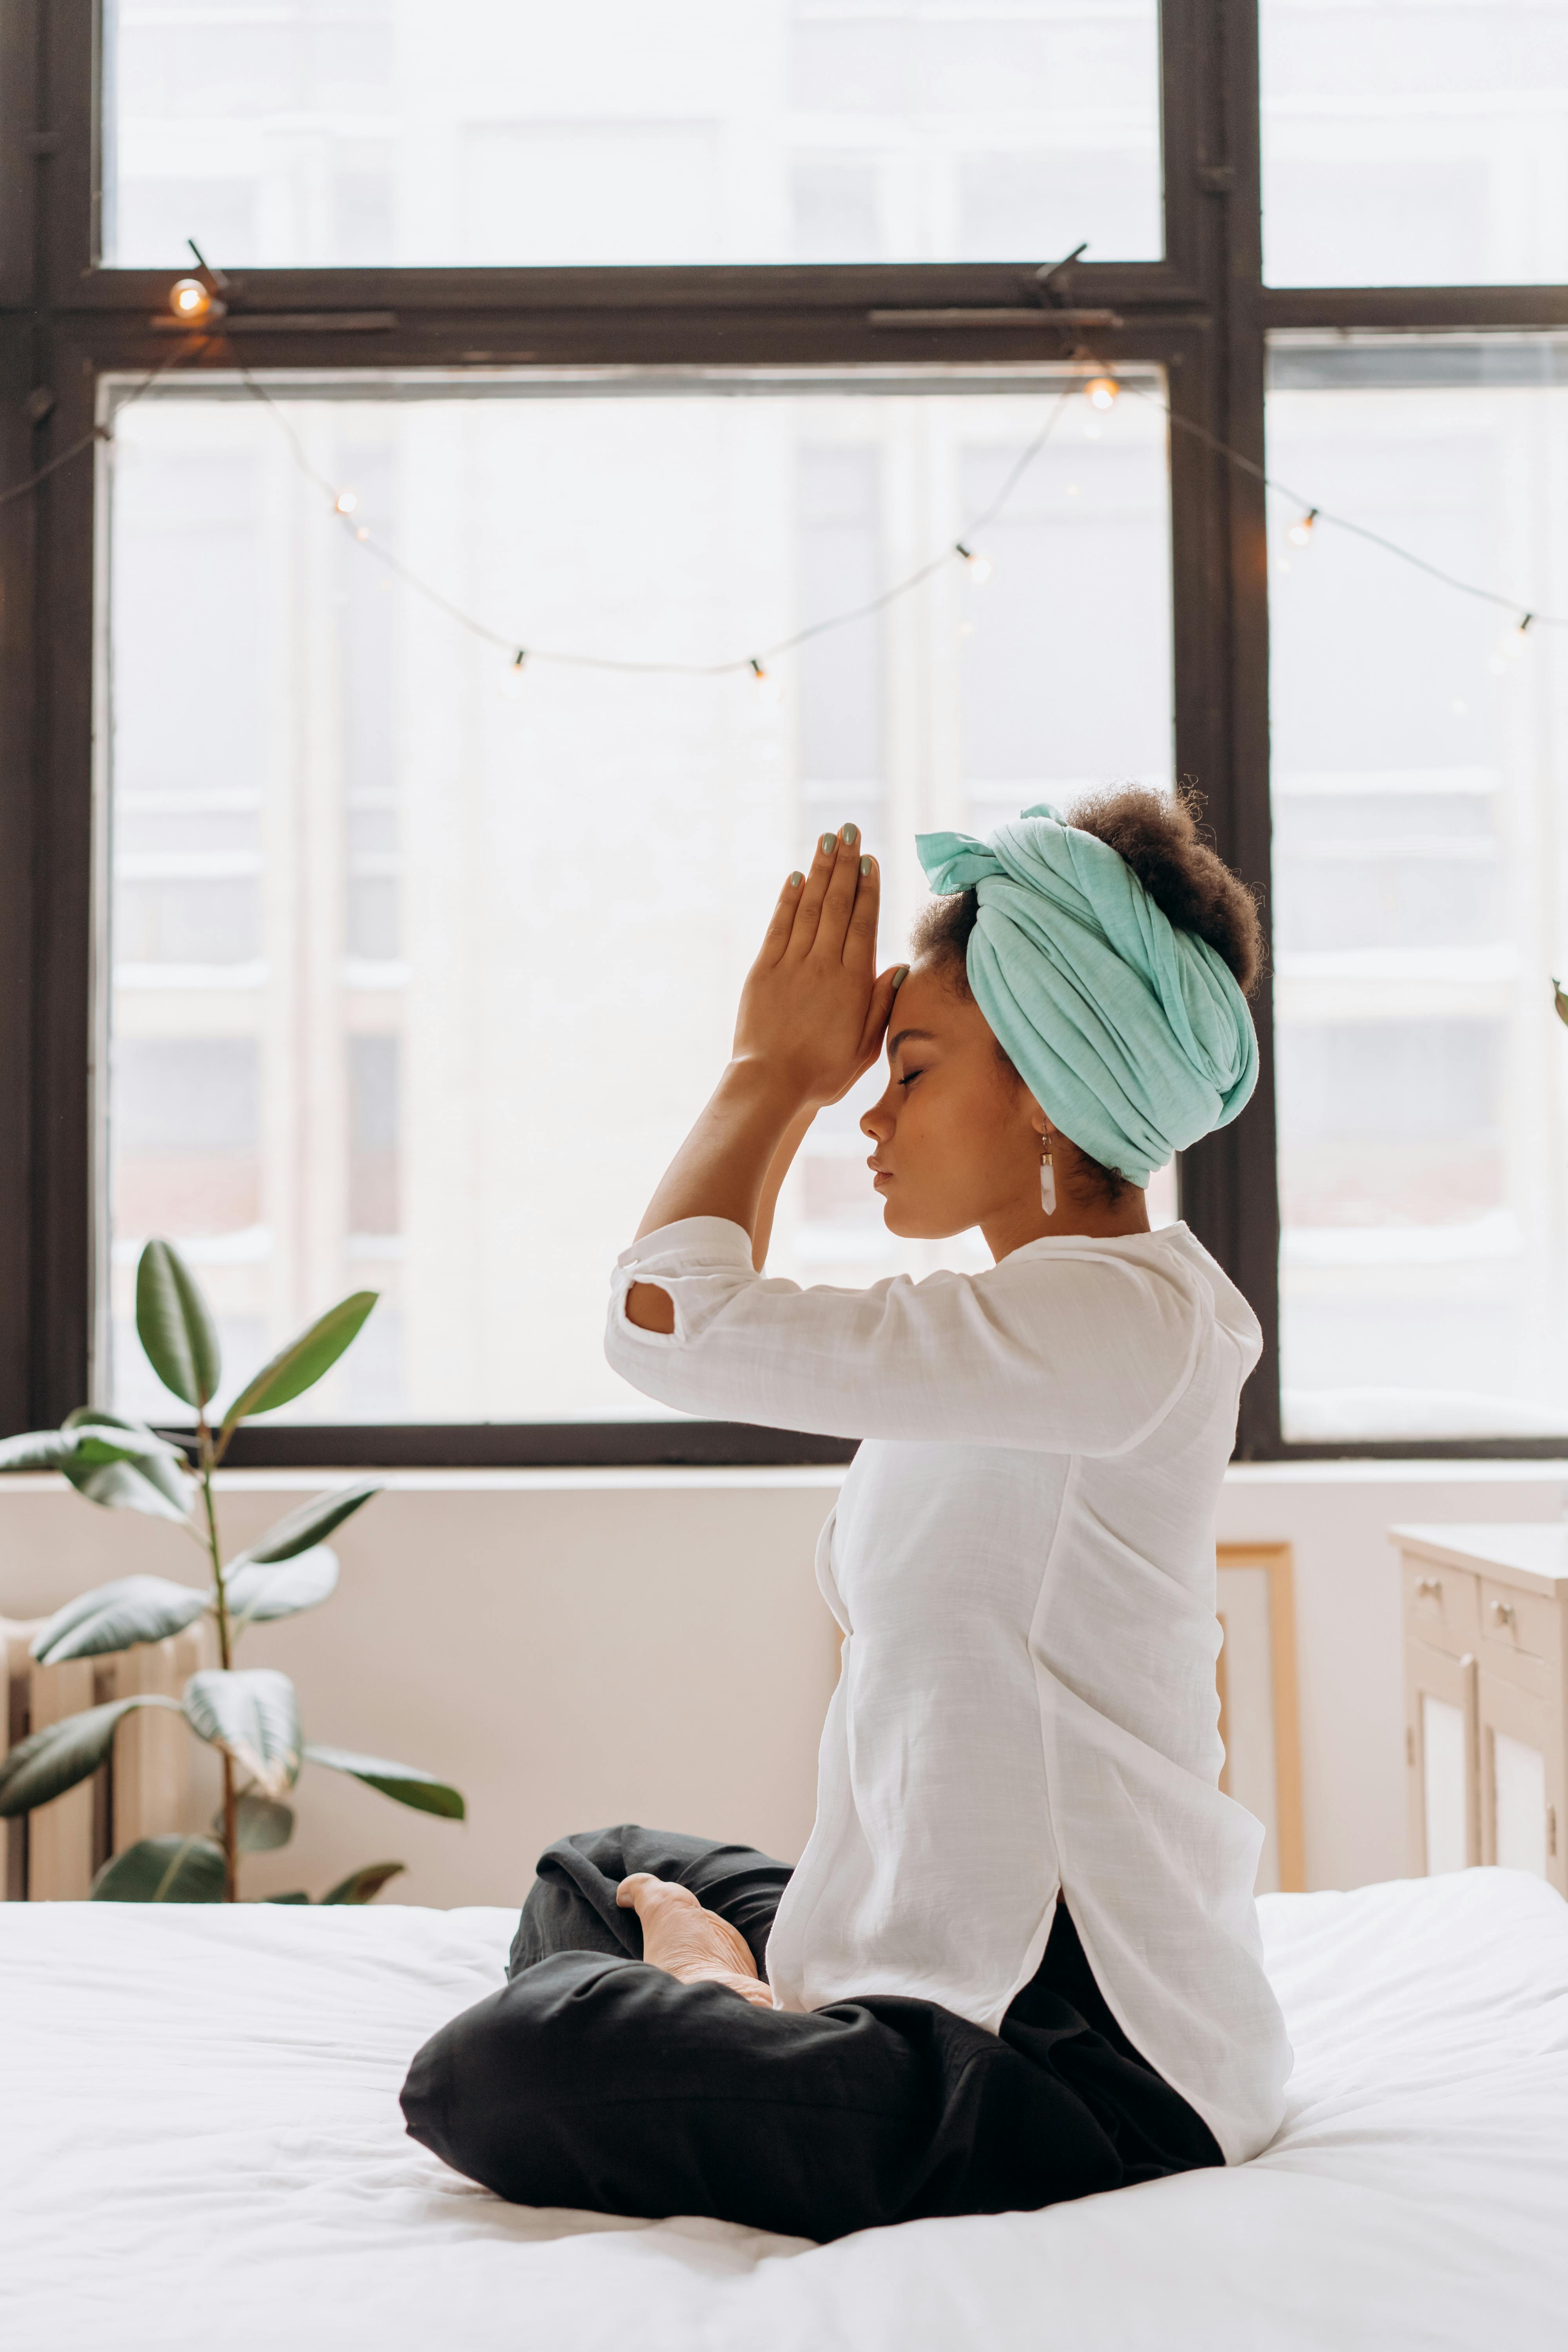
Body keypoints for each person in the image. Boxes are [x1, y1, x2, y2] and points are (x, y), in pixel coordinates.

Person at [401, 788, 1293, 2244]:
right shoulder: (1017, 1331)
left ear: (1049, 1089)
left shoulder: (1133, 1322)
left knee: (496, 2071)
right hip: (913, 1959)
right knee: (601, 1860)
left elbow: (670, 1323)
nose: (871, 1116)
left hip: (1081, 2060)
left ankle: (713, 2003)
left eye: (913, 1069)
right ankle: (739, 2001)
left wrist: (769, 1074)